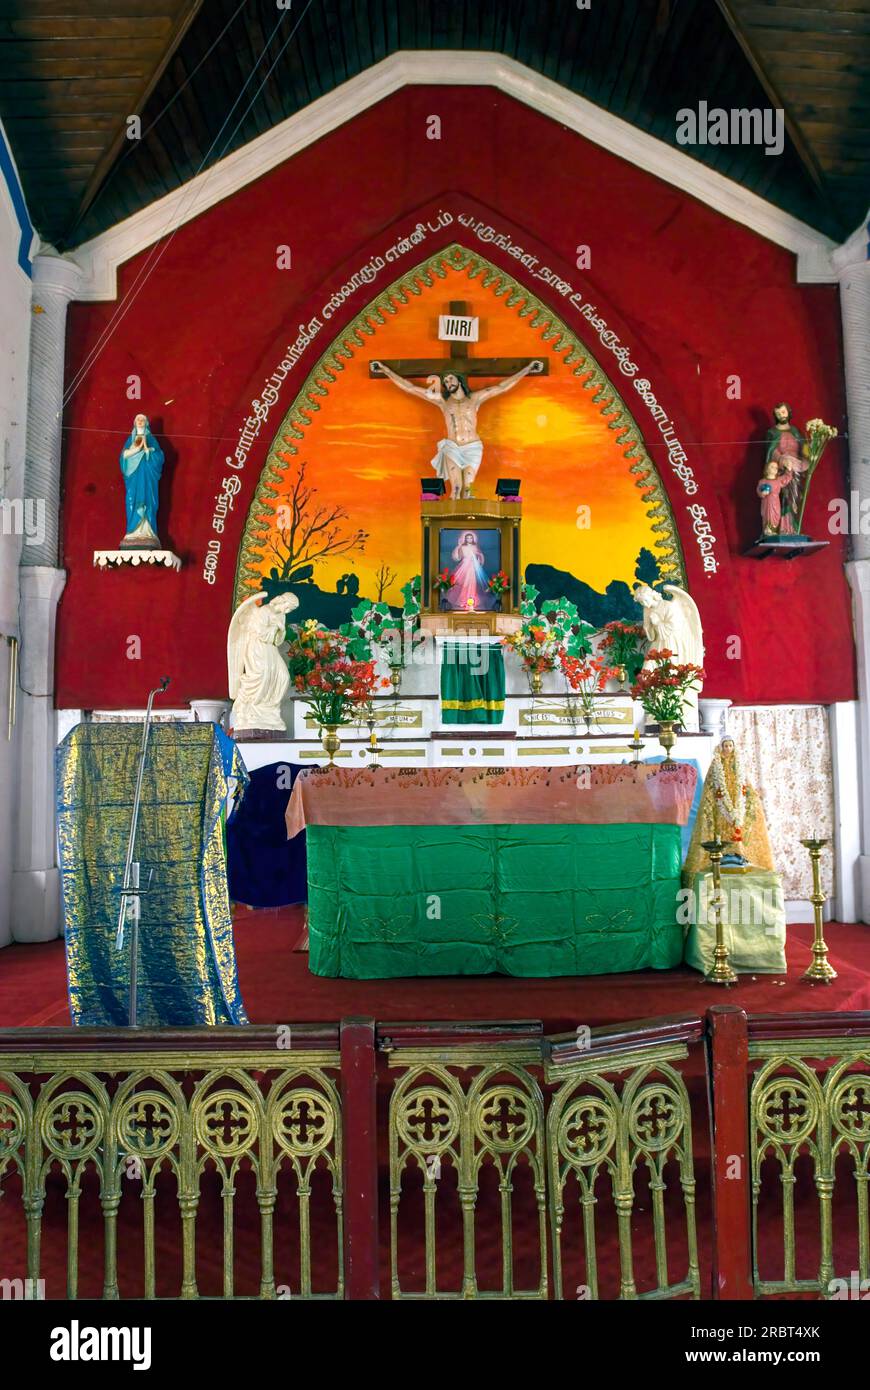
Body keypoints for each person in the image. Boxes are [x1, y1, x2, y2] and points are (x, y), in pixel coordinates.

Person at [371, 359, 543, 497]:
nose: (447, 382)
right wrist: (385, 370)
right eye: (445, 380)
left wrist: (527, 369)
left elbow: (501, 388)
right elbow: (411, 388)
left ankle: (466, 523)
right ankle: (451, 526)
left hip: (472, 447)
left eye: (450, 378)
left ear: (459, 379)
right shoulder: (442, 401)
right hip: (452, 447)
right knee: (456, 488)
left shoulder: (474, 399)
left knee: (467, 489)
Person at [683, 736, 774, 877]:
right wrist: (711, 801)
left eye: (730, 746)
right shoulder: (715, 765)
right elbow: (709, 785)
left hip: (737, 805)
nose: (728, 749)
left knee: (737, 828)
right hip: (721, 805)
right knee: (721, 828)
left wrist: (752, 795)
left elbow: (745, 784)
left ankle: (738, 854)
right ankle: (723, 856)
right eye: (725, 746)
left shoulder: (738, 764)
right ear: (721, 747)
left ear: (734, 747)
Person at [119, 413, 164, 546]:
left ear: (146, 423)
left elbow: (160, 457)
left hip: (148, 478)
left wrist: (148, 451)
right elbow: (123, 458)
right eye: (137, 419)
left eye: (142, 419)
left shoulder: (151, 439)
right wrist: (137, 449)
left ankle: (148, 532)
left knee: (148, 502)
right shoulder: (130, 439)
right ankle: (132, 532)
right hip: (134, 478)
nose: (140, 421)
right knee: (132, 501)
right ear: (134, 422)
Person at [445, 531, 496, 611]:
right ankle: (464, 600)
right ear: (465, 539)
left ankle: (472, 600)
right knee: (464, 583)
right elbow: (457, 557)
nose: (469, 539)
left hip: (473, 566)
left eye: (471, 538)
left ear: (473, 538)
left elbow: (480, 556)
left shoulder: (475, 546)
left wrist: (478, 558)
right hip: (464, 566)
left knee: (473, 583)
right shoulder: (462, 546)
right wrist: (459, 546)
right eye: (468, 538)